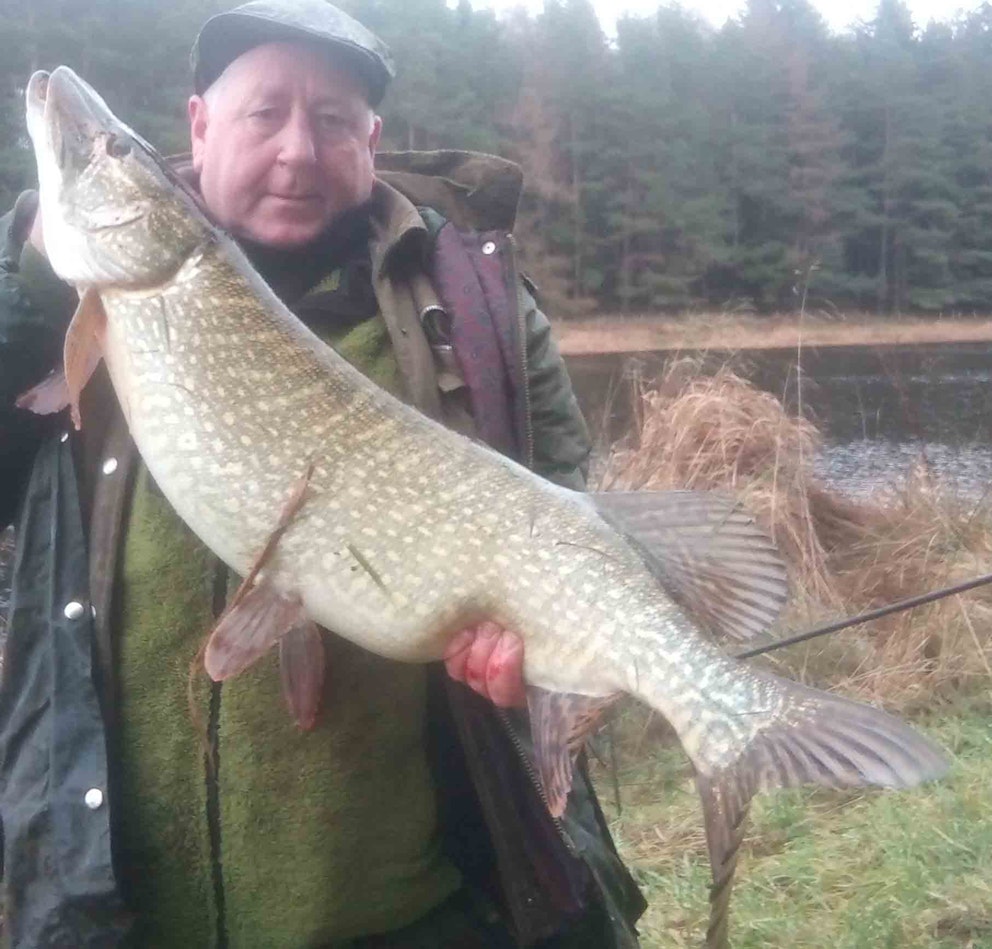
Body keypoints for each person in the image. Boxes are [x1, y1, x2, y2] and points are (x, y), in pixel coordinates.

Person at [0, 1, 645, 946]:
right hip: (117, 916)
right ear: (199, 126)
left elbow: (561, 545)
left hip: (420, 909)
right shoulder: (69, 296)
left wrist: (539, 672)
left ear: (373, 141)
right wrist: (29, 286)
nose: (299, 150)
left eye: (333, 120)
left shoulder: (479, 311)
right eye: (264, 113)